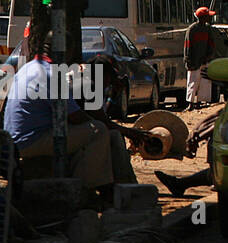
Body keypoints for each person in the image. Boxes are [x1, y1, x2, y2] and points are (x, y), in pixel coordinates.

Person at [2, 41, 136, 197]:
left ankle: (128, 186)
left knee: (108, 133)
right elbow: (76, 118)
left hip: (16, 139)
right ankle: (84, 190)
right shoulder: (54, 75)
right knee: (98, 130)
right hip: (29, 140)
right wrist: (123, 130)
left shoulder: (28, 67)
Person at [181, 7, 222, 111]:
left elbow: (211, 44)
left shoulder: (207, 29)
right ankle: (190, 103)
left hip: (205, 59)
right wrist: (188, 60)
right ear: (203, 18)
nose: (210, 18)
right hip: (194, 60)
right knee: (192, 81)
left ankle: (200, 102)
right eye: (208, 16)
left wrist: (209, 56)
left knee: (205, 81)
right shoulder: (192, 29)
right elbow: (187, 46)